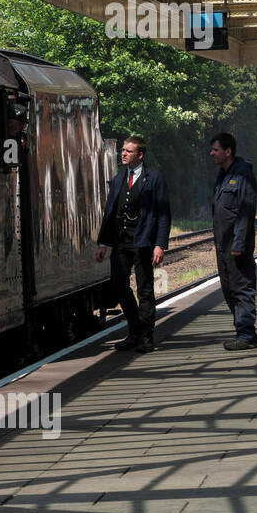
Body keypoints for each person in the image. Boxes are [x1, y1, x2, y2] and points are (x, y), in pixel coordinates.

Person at [96, 135, 171, 352]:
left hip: (144, 241)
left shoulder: (154, 178)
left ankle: (146, 336)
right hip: (121, 242)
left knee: (145, 290)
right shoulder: (119, 178)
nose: (124, 153)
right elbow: (109, 212)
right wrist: (103, 242)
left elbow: (164, 214)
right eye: (123, 150)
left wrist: (160, 244)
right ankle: (134, 329)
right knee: (119, 285)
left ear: (140, 155)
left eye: (129, 151)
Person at [210, 132, 257, 349]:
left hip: (236, 244)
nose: (212, 153)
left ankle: (246, 335)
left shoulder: (243, 175)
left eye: (216, 150)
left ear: (228, 151)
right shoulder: (223, 175)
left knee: (242, 287)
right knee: (228, 288)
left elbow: (245, 212)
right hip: (223, 243)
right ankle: (244, 331)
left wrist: (239, 244)